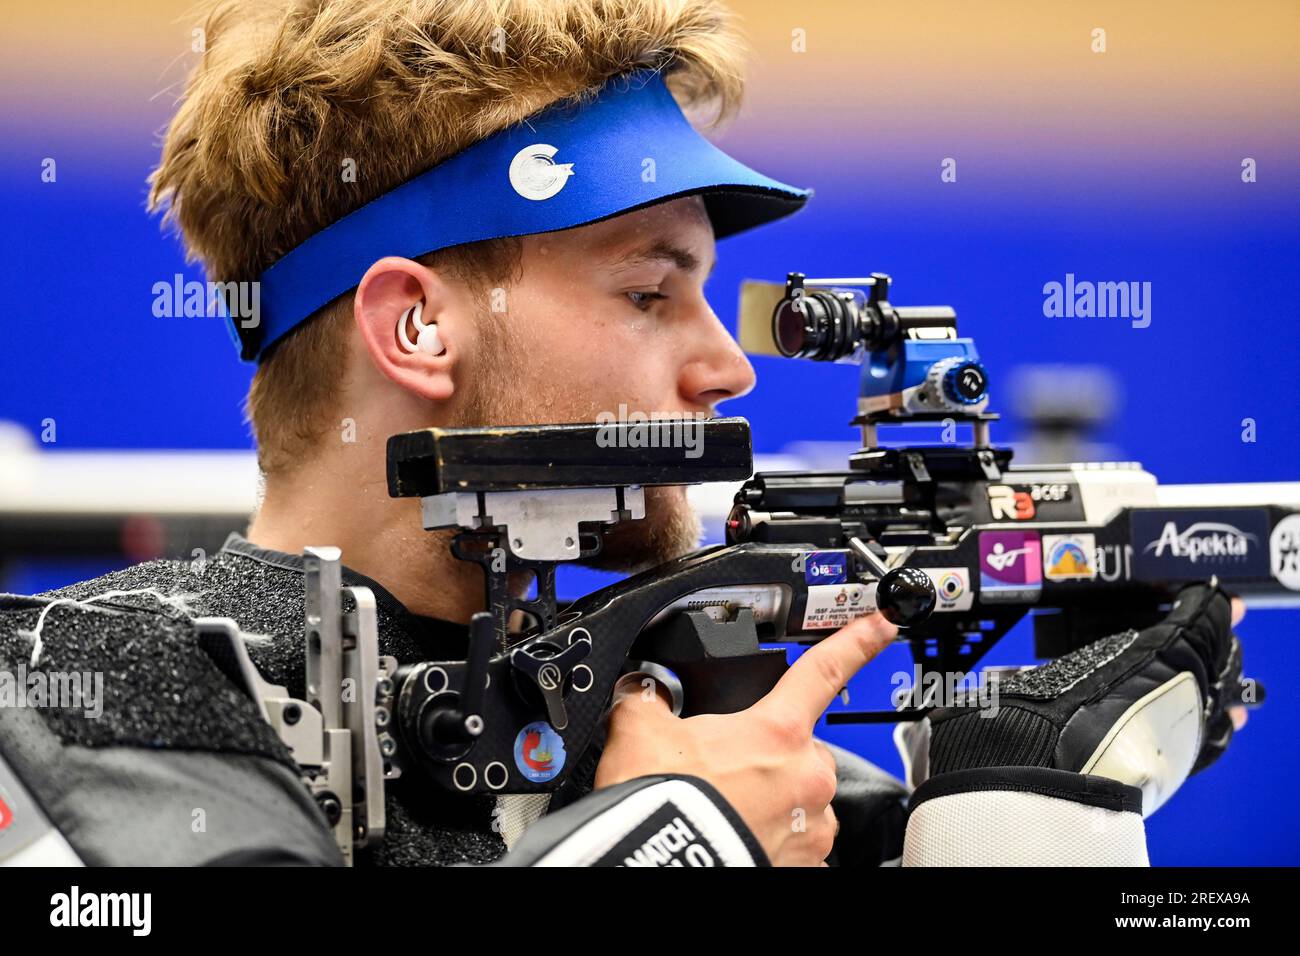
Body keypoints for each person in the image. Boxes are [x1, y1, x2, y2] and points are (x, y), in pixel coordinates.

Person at [0, 0, 1248, 867]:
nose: (722, 364)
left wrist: (1019, 791)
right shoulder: (87, 690)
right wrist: (674, 836)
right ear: (418, 329)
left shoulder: (704, 735)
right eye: (650, 292)